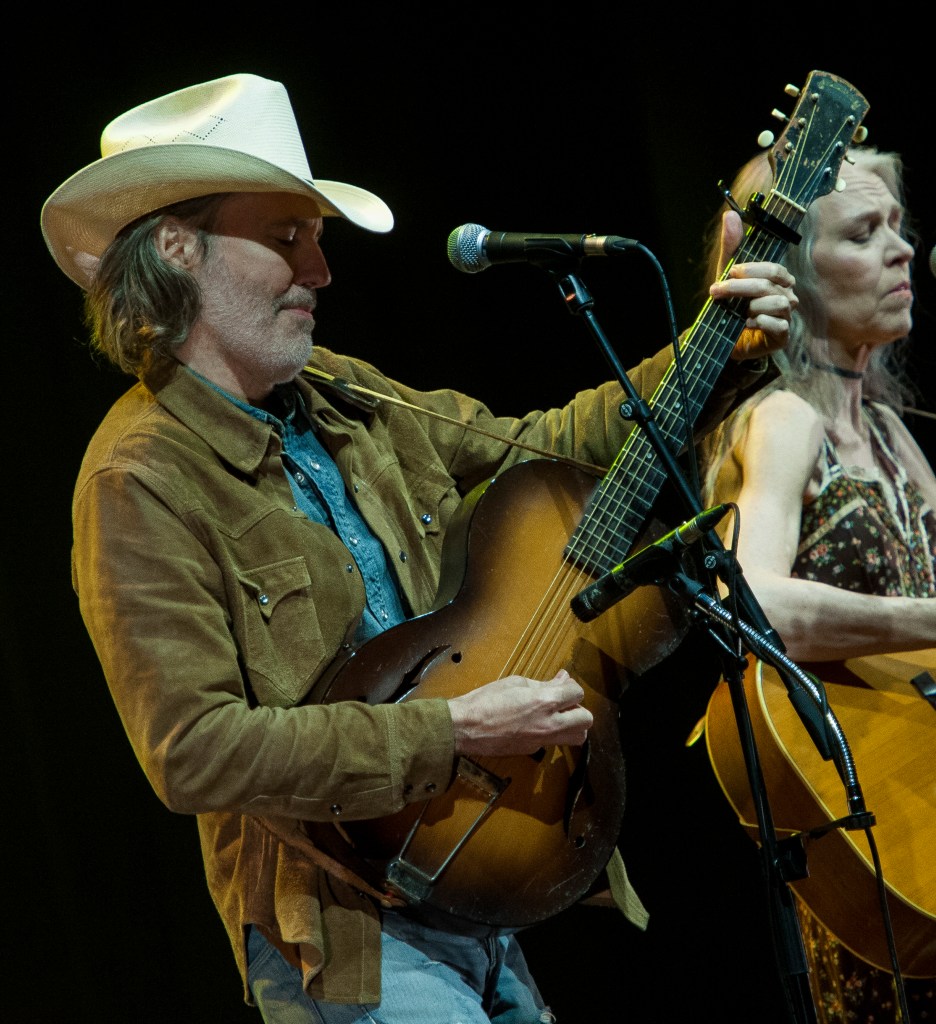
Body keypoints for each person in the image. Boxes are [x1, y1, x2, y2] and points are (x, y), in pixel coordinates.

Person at [41, 72, 796, 1023]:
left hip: (481, 887)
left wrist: (719, 346)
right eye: (287, 239)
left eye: (317, 238)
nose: (321, 271)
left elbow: (548, 444)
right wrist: (451, 731)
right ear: (181, 250)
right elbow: (193, 754)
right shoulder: (138, 479)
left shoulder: (345, 391)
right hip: (341, 937)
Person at [700, 144, 936, 1022]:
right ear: (790, 275)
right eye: (864, 232)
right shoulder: (783, 418)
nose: (900, 251)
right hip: (873, 845)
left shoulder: (894, 435)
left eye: (898, 227)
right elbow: (749, 604)